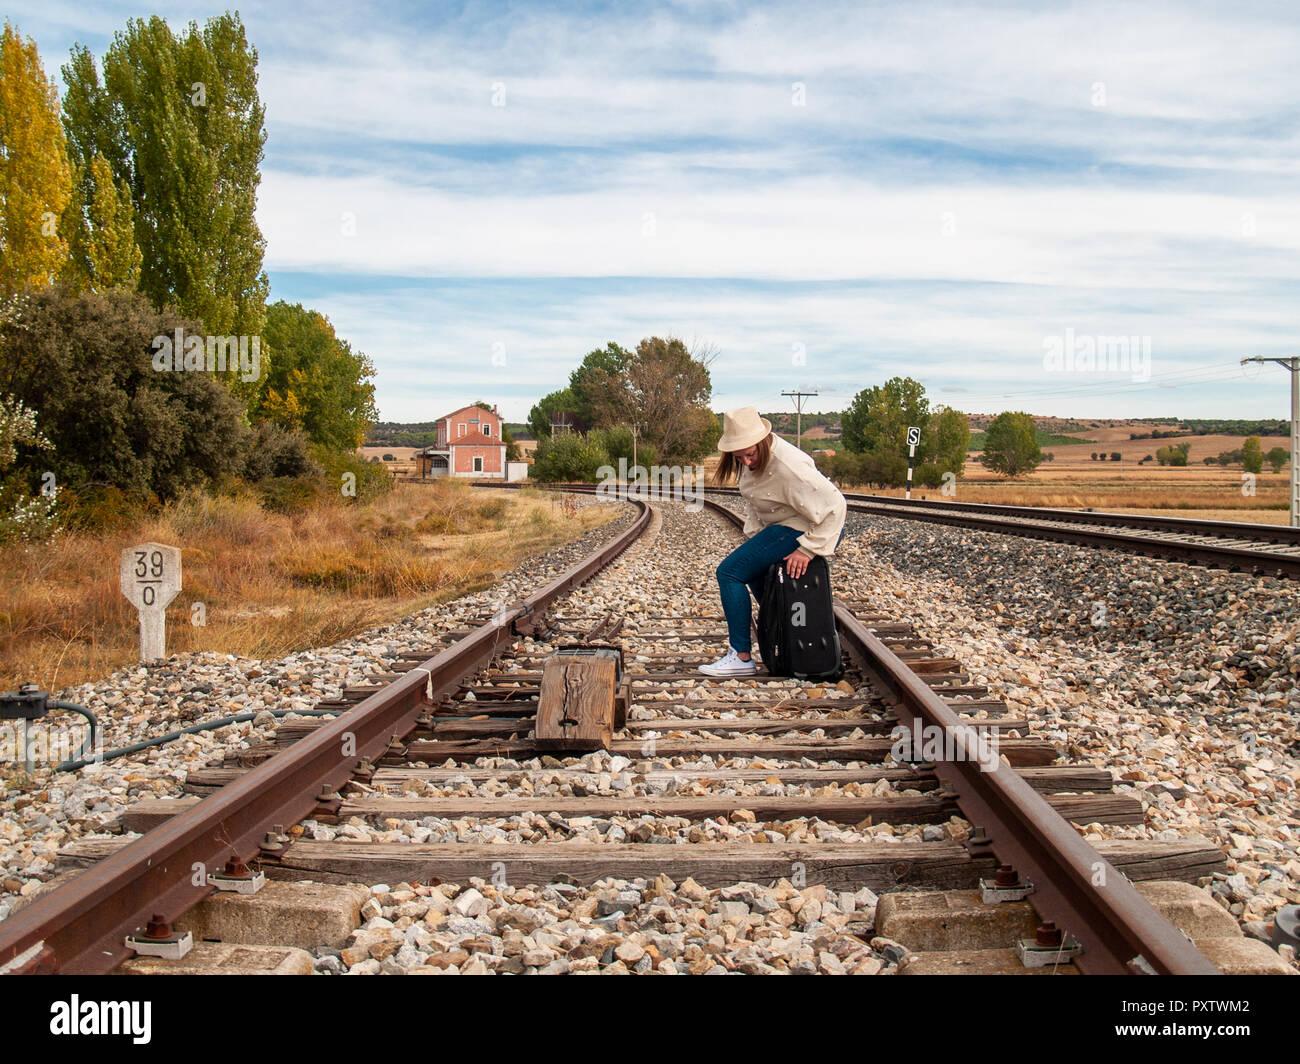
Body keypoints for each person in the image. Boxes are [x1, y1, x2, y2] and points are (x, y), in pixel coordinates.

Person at [700, 406, 847, 676]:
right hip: (783, 527)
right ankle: (786, 638)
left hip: (804, 528)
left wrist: (808, 549)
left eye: (750, 453)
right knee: (758, 578)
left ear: (763, 442)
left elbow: (836, 505)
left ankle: (741, 656)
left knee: (729, 573)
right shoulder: (750, 459)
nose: (745, 461)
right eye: (738, 456)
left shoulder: (790, 466)